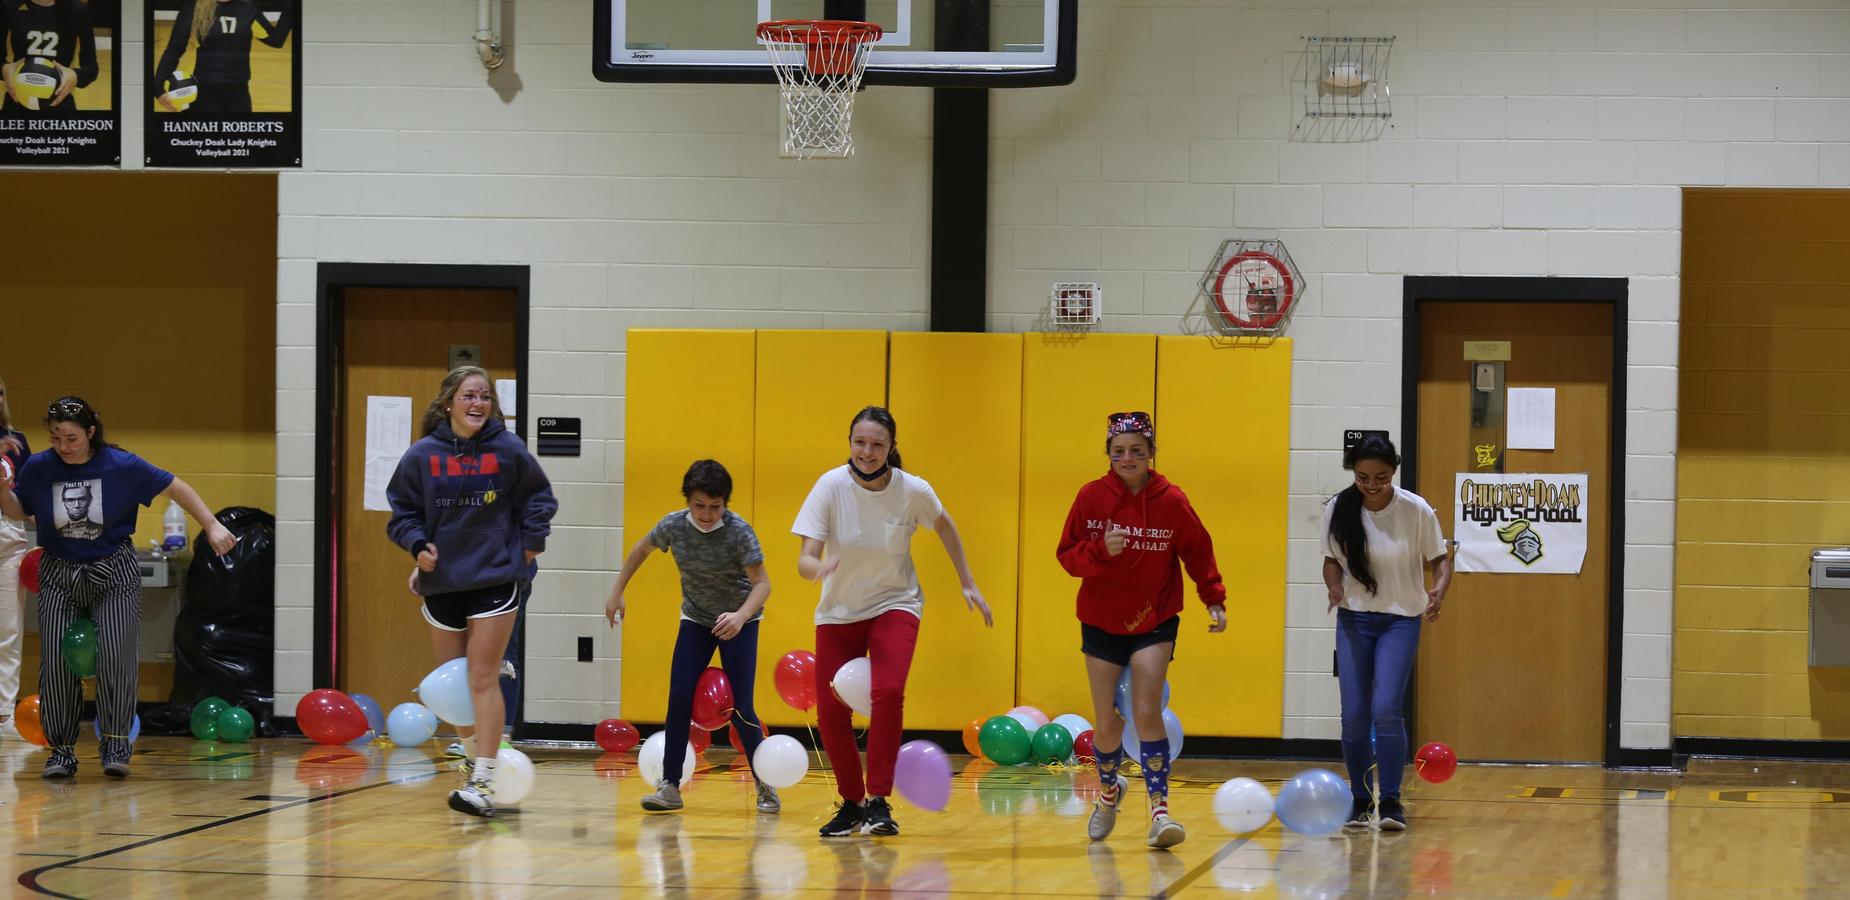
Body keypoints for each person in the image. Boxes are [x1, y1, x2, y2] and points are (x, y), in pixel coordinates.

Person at [0, 396, 237, 778]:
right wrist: (2, 488)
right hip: (59, 571)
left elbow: (175, 487)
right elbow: (18, 509)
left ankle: (115, 745)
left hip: (113, 570)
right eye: (56, 437)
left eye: (72, 438)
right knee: (56, 664)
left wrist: (211, 525)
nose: (63, 446)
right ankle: (61, 751)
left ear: (91, 433)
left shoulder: (120, 464)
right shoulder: (41, 466)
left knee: (115, 658)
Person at [794, 405, 992, 838]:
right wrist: (818, 568)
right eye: (860, 442)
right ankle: (852, 803)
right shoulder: (830, 486)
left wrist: (968, 582)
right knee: (831, 712)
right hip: (838, 612)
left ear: (891, 447)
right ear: (850, 443)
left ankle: (879, 800)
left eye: (877, 444)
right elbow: (805, 559)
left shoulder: (912, 490)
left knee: (888, 691)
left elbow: (945, 527)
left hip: (895, 603)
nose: (867, 452)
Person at [387, 366, 556, 818]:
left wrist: (528, 547)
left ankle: (483, 779)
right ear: (449, 402)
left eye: (484, 396)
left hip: (494, 580)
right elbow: (402, 513)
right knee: (453, 685)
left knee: (483, 677)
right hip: (443, 583)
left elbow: (539, 499)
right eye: (469, 395)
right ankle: (472, 765)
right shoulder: (422, 455)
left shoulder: (507, 448)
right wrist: (417, 546)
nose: (478, 403)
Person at [1057, 411, 1227, 849]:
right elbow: (1068, 556)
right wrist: (1100, 550)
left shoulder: (1171, 500)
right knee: (1107, 720)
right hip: (1101, 620)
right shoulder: (1091, 497)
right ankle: (1108, 793)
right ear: (1108, 454)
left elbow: (1198, 550)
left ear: (1151, 453)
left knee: (1146, 711)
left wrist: (1213, 597)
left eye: (1136, 450)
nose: (1127, 458)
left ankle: (1160, 812)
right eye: (1118, 452)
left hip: (1154, 619)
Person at [605, 459, 779, 815]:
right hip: (697, 618)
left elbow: (763, 584)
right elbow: (640, 550)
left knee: (741, 707)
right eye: (699, 505)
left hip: (739, 620)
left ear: (725, 503)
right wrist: (617, 592)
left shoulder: (739, 532)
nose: (707, 514)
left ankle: (764, 783)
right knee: (680, 696)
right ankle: (669, 785)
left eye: (715, 507)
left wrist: (741, 616)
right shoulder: (673, 526)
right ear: (688, 500)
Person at [1320, 434, 1452, 831]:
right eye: (1363, 478)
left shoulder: (1415, 509)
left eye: (1380, 478)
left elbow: (1441, 560)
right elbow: (1331, 560)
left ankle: (1391, 801)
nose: (1371, 485)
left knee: (1386, 709)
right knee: (1354, 716)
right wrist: (1334, 586)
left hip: (1400, 619)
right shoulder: (1339, 508)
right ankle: (1361, 800)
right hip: (1354, 619)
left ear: (1393, 472)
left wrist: (1438, 592)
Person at [152, 0, 294, 114]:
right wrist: (158, 88)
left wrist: (291, 6)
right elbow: (175, 48)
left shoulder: (247, 7)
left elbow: (276, 40)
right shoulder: (194, 7)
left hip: (239, 94)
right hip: (205, 94)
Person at [0, 0, 98, 113]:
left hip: (59, 102)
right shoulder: (9, 5)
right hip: (16, 100)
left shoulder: (78, 9)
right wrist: (4, 68)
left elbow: (92, 68)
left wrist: (76, 76)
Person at [0, 377, 30, 735]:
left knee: (8, 630)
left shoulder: (16, 440)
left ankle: (4, 714)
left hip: (9, 537)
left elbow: (30, 494)